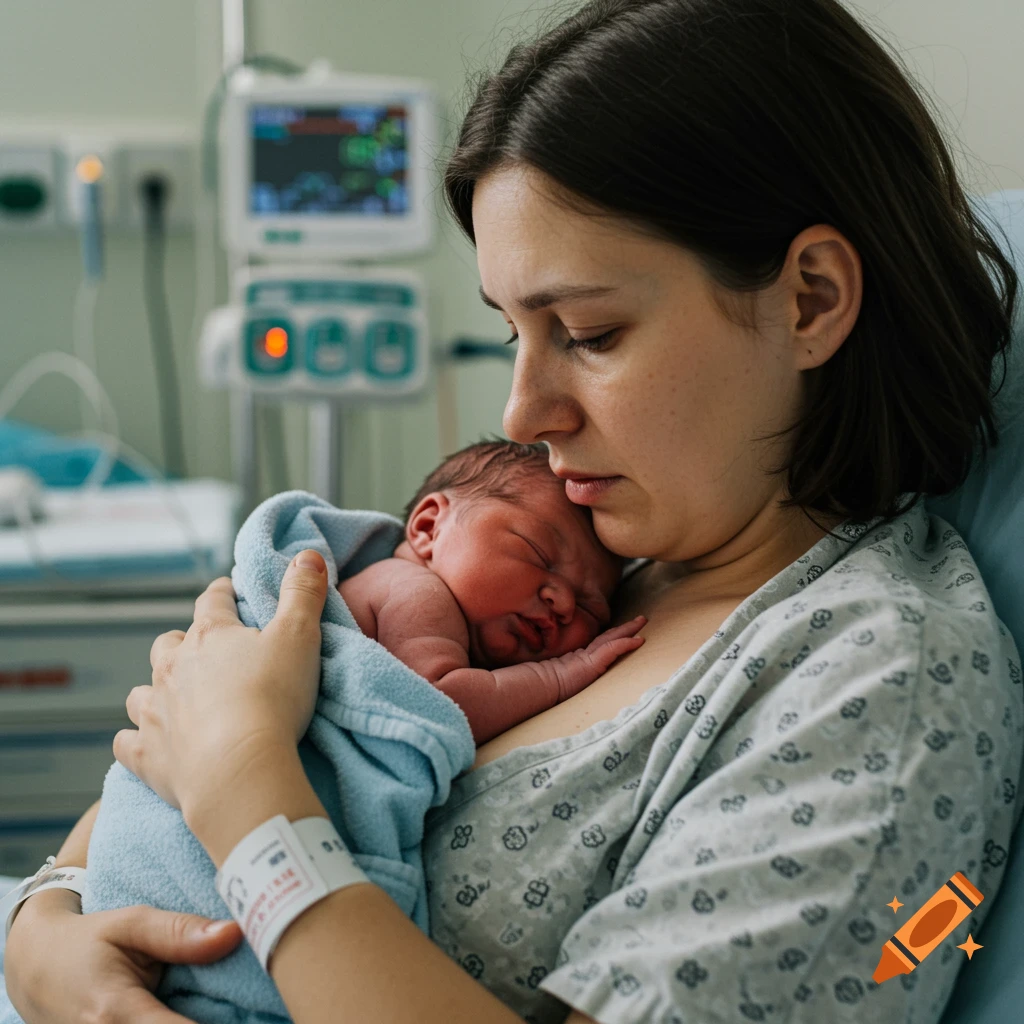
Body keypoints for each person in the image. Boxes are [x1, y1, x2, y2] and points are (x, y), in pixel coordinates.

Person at [3, 0, 1022, 1022]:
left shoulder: (876, 681)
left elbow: (232, 757)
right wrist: (43, 924)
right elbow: (196, 729)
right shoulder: (596, 547)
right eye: (510, 333)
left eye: (588, 331)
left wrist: (252, 807)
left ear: (808, 298)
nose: (523, 412)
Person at [342, 439, 645, 745]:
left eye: (589, 608)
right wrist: (558, 676)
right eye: (538, 553)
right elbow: (436, 705)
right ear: (429, 527)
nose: (564, 602)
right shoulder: (413, 589)